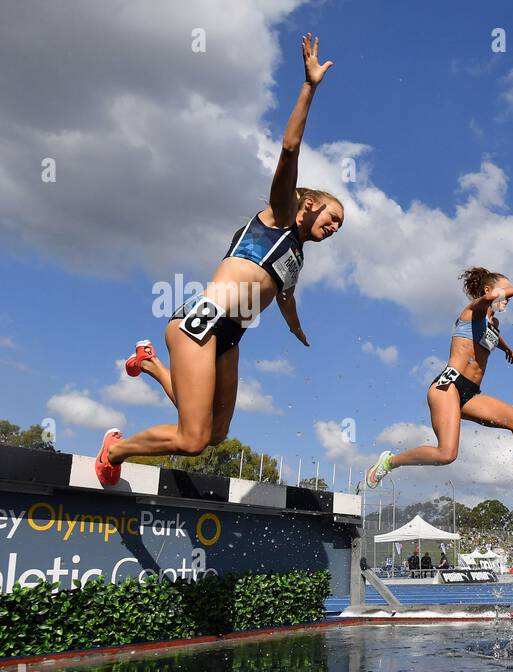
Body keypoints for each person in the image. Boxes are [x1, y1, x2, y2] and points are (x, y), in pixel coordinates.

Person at [97, 35, 344, 484]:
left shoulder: (296, 255)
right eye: (334, 216)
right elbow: (289, 150)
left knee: (213, 435)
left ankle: (150, 364)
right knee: (191, 439)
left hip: (230, 336)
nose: (336, 227)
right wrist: (309, 87)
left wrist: (295, 326)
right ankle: (115, 450)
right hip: (203, 320)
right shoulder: (281, 216)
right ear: (309, 204)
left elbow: (284, 295)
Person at [363, 268, 513, 507]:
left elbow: (492, 336)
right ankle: (390, 462)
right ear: (488, 291)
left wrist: (508, 350)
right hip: (448, 385)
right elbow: (491, 302)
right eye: (506, 294)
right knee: (446, 454)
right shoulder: (472, 310)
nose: (508, 299)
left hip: (471, 394)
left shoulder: (494, 323)